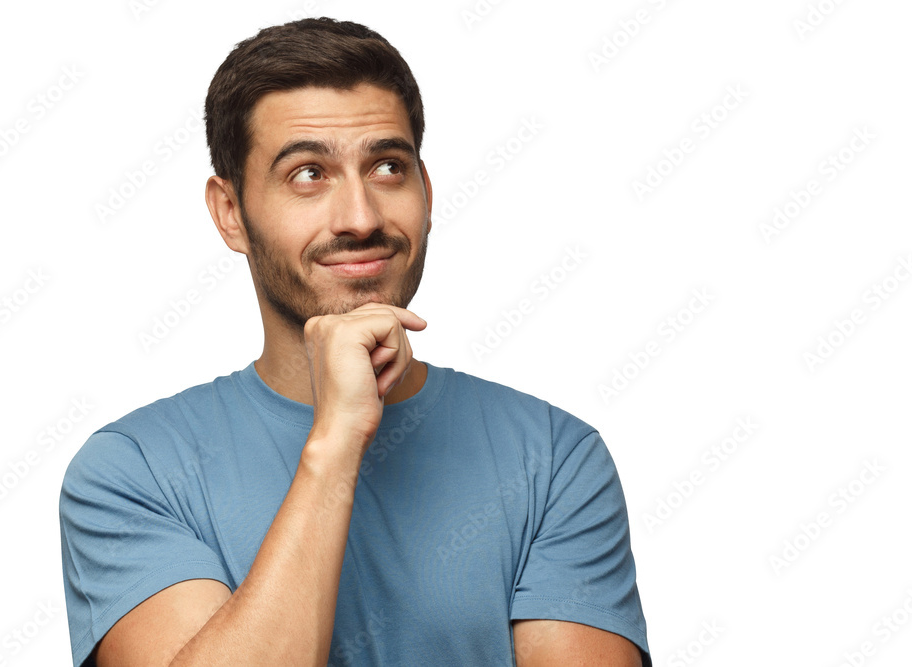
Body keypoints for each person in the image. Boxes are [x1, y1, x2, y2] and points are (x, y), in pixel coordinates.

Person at [59, 17, 651, 667]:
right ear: (231, 213)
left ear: (425, 191)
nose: (361, 218)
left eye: (388, 167)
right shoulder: (130, 470)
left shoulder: (556, 458)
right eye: (309, 174)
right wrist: (337, 438)